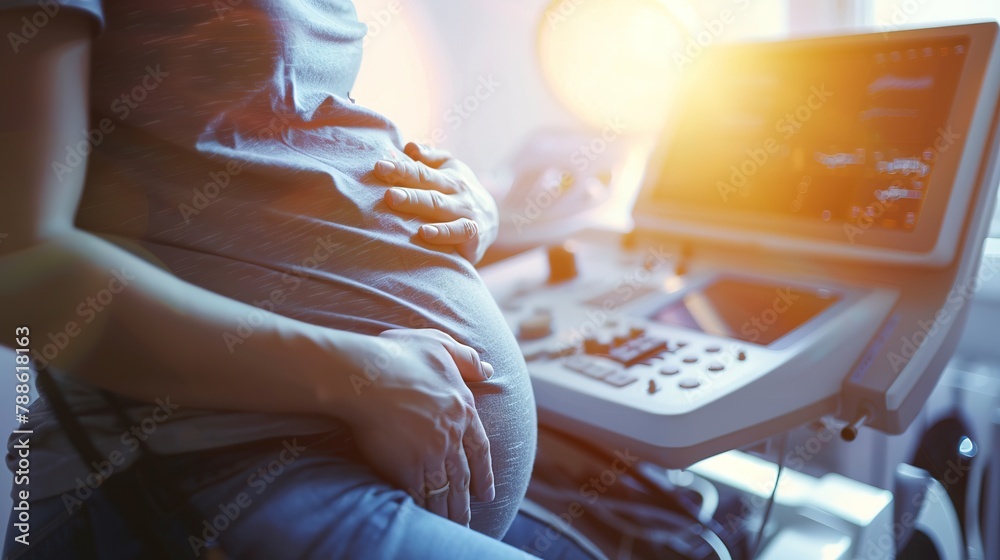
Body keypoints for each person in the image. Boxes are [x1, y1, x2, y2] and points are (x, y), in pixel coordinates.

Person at [0, 0, 544, 557]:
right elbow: (19, 267)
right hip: (193, 471)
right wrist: (363, 375)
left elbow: (281, 137)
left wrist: (468, 201)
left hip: (326, 464)